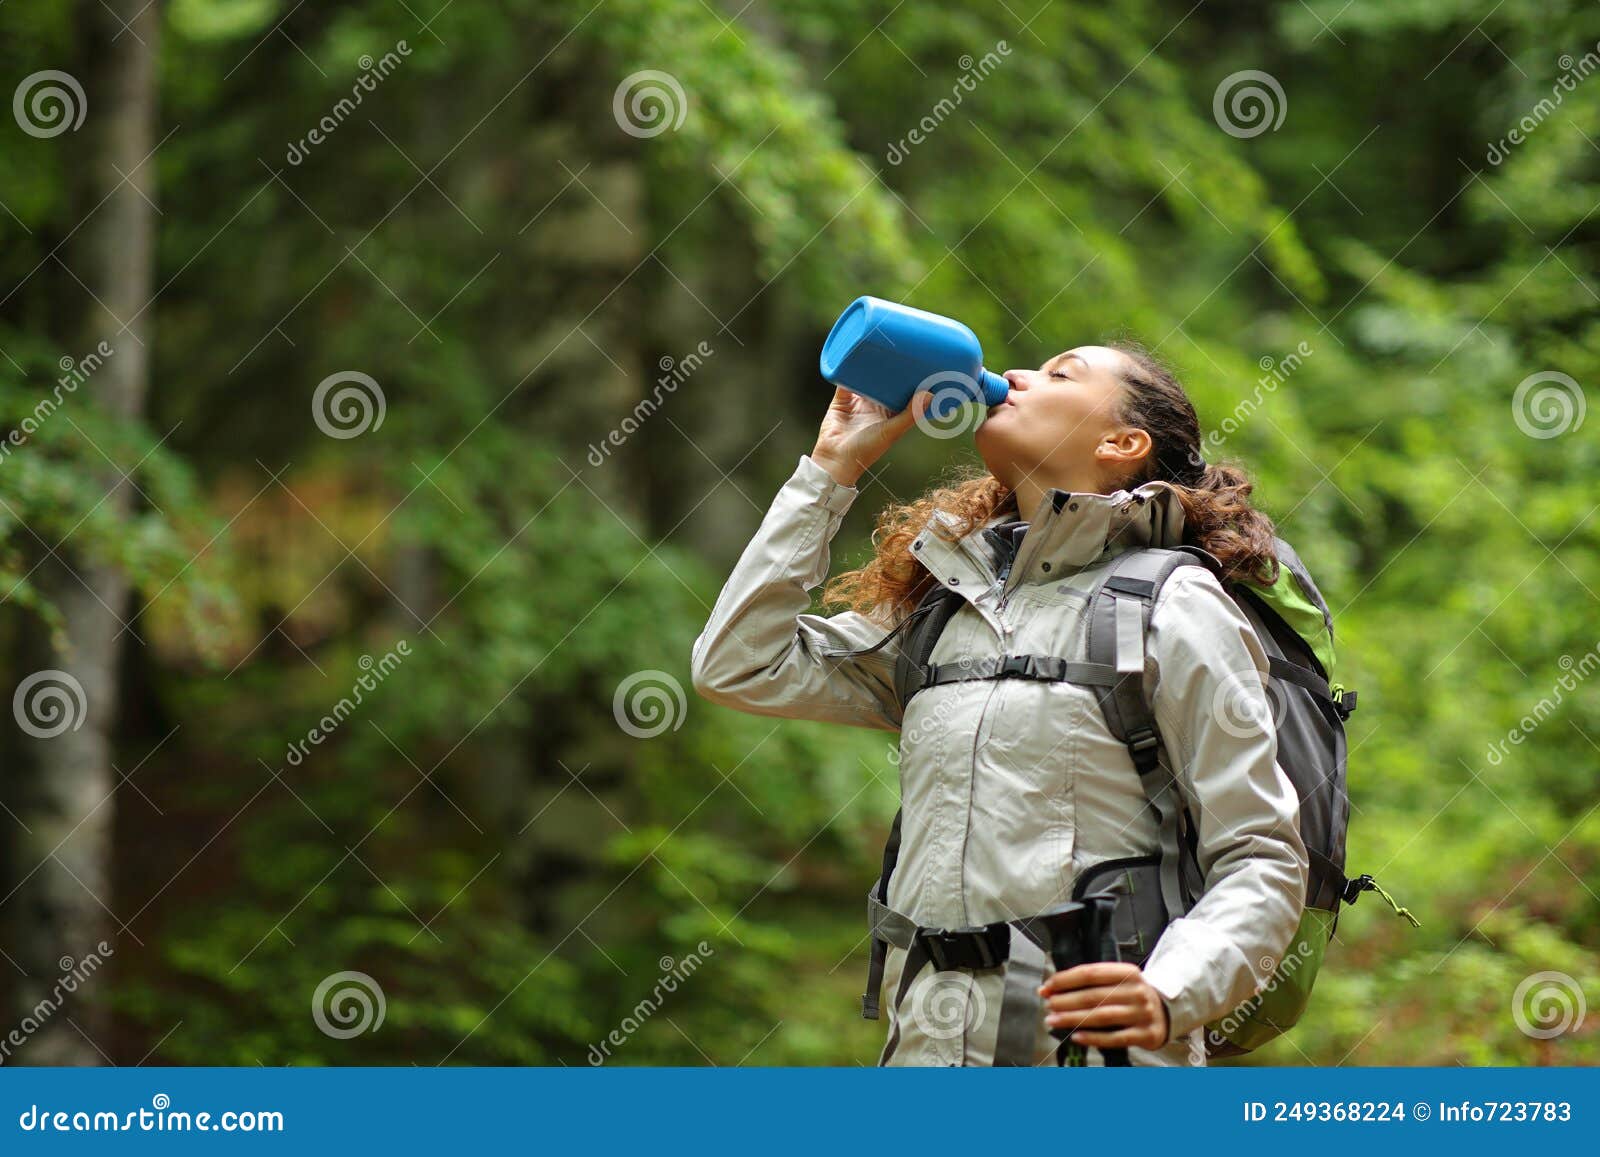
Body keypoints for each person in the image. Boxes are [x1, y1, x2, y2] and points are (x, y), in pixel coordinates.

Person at [689, 341, 1308, 1066]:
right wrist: (833, 466)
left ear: (1123, 442)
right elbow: (738, 663)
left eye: (1060, 374)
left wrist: (1171, 989)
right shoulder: (946, 612)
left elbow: (1261, 854)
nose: (1017, 376)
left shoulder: (1172, 605)